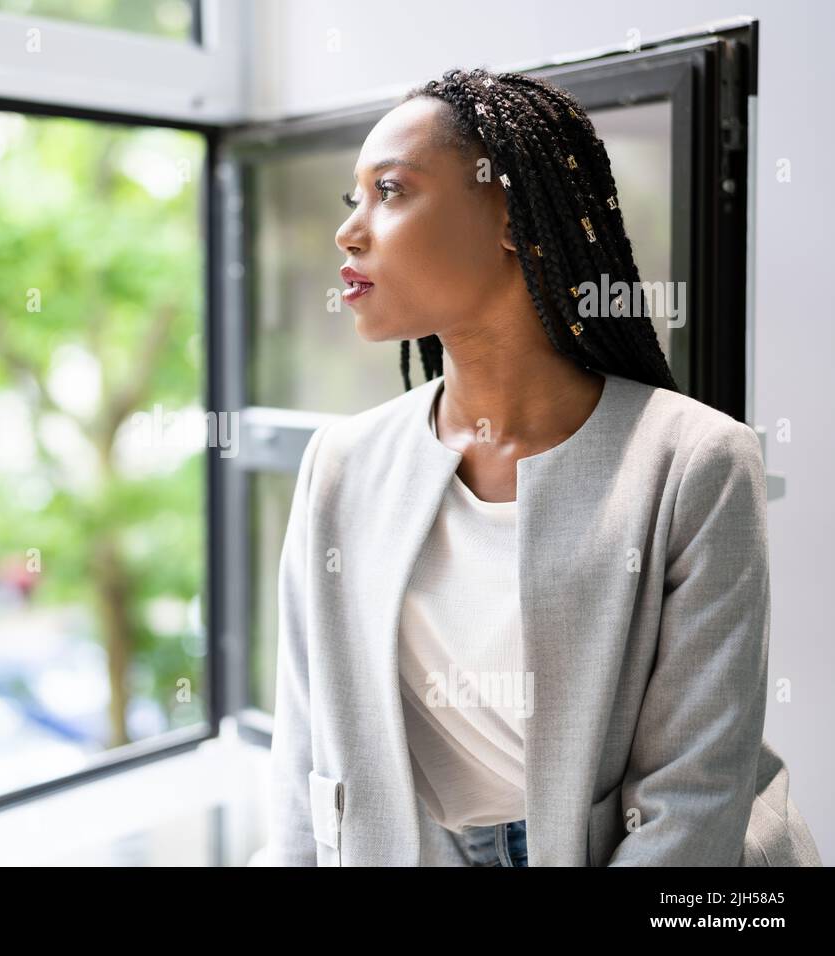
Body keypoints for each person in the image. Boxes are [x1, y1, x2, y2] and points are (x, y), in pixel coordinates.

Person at [266, 67, 821, 867]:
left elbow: (692, 797)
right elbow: (304, 757)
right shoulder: (340, 466)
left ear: (509, 215)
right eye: (352, 199)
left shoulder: (695, 462)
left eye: (390, 190)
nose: (351, 231)